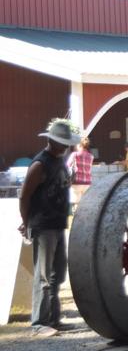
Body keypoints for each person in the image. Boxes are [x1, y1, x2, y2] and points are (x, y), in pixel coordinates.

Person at [18, 119, 81, 336]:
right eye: (62, 143)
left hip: (57, 223)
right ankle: (38, 323)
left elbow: (56, 187)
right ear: (51, 141)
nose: (66, 147)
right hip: (43, 225)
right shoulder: (40, 164)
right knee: (43, 276)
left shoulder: (58, 160)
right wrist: (26, 223)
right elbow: (25, 196)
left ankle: (53, 319)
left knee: (57, 274)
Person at [67, 137, 93, 213]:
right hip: (87, 182)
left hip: (76, 182)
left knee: (76, 205)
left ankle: (76, 221)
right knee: (84, 203)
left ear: (79, 145)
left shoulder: (74, 154)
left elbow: (67, 165)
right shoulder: (91, 156)